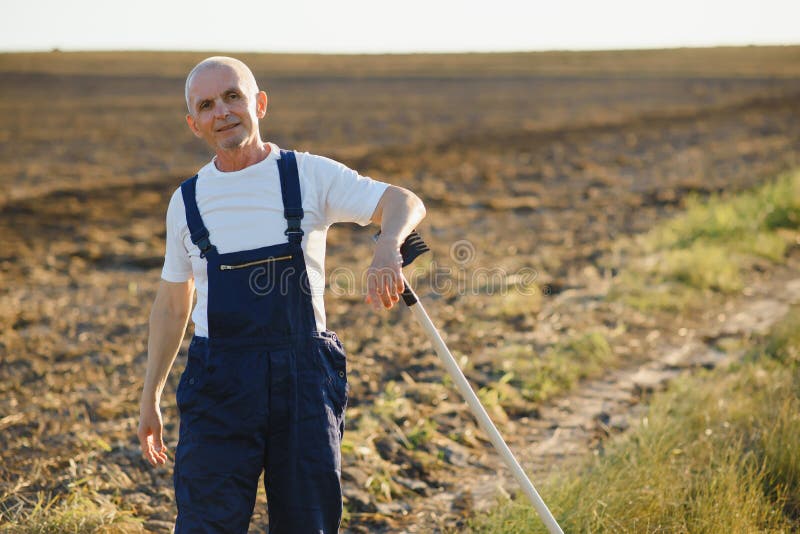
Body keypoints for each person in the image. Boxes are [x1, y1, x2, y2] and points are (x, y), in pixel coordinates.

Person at [136, 56, 426, 533]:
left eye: (233, 96)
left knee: (306, 522)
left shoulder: (307, 175)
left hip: (303, 380)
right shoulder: (186, 202)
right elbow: (172, 304)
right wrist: (151, 396)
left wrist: (388, 248)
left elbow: (403, 201)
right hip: (219, 384)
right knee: (206, 523)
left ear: (260, 103)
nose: (222, 112)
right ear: (194, 124)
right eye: (206, 105)